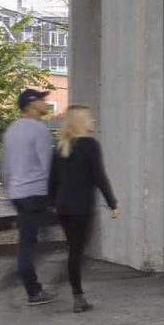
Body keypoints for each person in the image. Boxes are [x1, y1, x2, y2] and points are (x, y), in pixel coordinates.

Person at [47, 105, 119, 313]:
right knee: (78, 253)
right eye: (89, 118)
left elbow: (51, 181)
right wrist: (112, 203)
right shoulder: (90, 145)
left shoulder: (60, 146)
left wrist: (52, 205)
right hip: (81, 208)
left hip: (63, 208)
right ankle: (77, 297)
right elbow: (99, 177)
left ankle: (77, 294)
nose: (93, 121)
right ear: (80, 121)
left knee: (74, 251)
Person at [0, 87, 57, 307]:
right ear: (32, 104)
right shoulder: (39, 129)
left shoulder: (12, 129)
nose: (45, 103)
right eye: (42, 100)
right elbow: (47, 165)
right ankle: (30, 287)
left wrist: (9, 191)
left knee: (32, 238)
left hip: (18, 193)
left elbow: (5, 166)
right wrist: (54, 196)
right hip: (35, 193)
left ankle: (22, 274)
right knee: (32, 242)